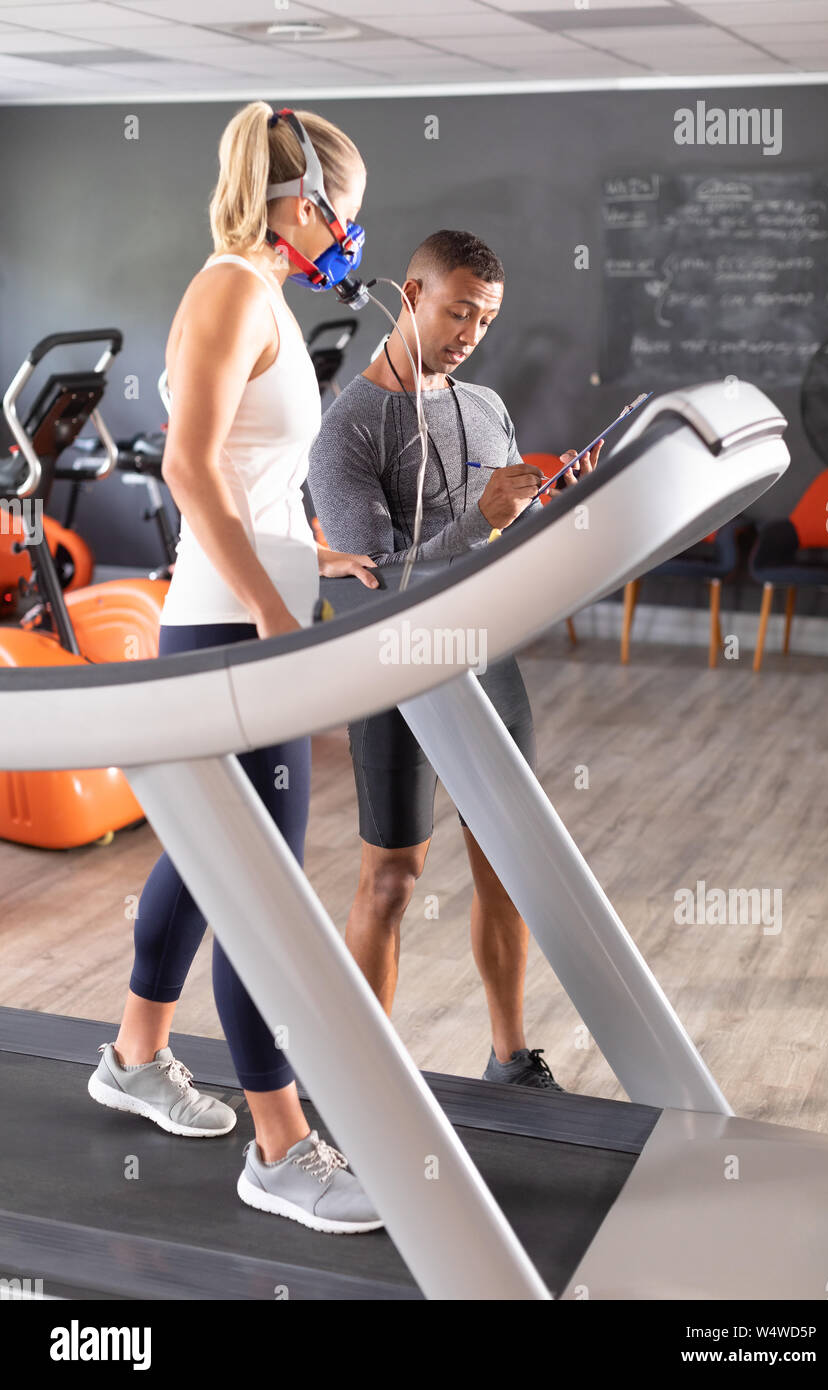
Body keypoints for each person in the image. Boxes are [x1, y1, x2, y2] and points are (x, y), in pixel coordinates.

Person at [88, 102, 385, 1234]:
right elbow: (185, 464)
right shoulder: (228, 289)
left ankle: (132, 1055)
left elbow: (253, 483)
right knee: (261, 893)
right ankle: (280, 1147)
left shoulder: (258, 292)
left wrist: (311, 552)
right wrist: (268, 606)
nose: (347, 240)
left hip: (248, 613)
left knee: (213, 865)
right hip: (224, 633)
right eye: (342, 218)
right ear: (299, 202)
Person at [308, 229, 601, 1091]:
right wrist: (482, 517)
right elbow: (376, 586)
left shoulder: (486, 405)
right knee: (393, 881)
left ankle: (510, 1055)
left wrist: (545, 508)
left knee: (507, 867)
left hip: (489, 664)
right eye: (459, 310)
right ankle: (370, 1079)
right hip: (397, 678)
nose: (472, 332)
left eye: (487, 318)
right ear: (411, 294)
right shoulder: (347, 431)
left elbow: (498, 543)